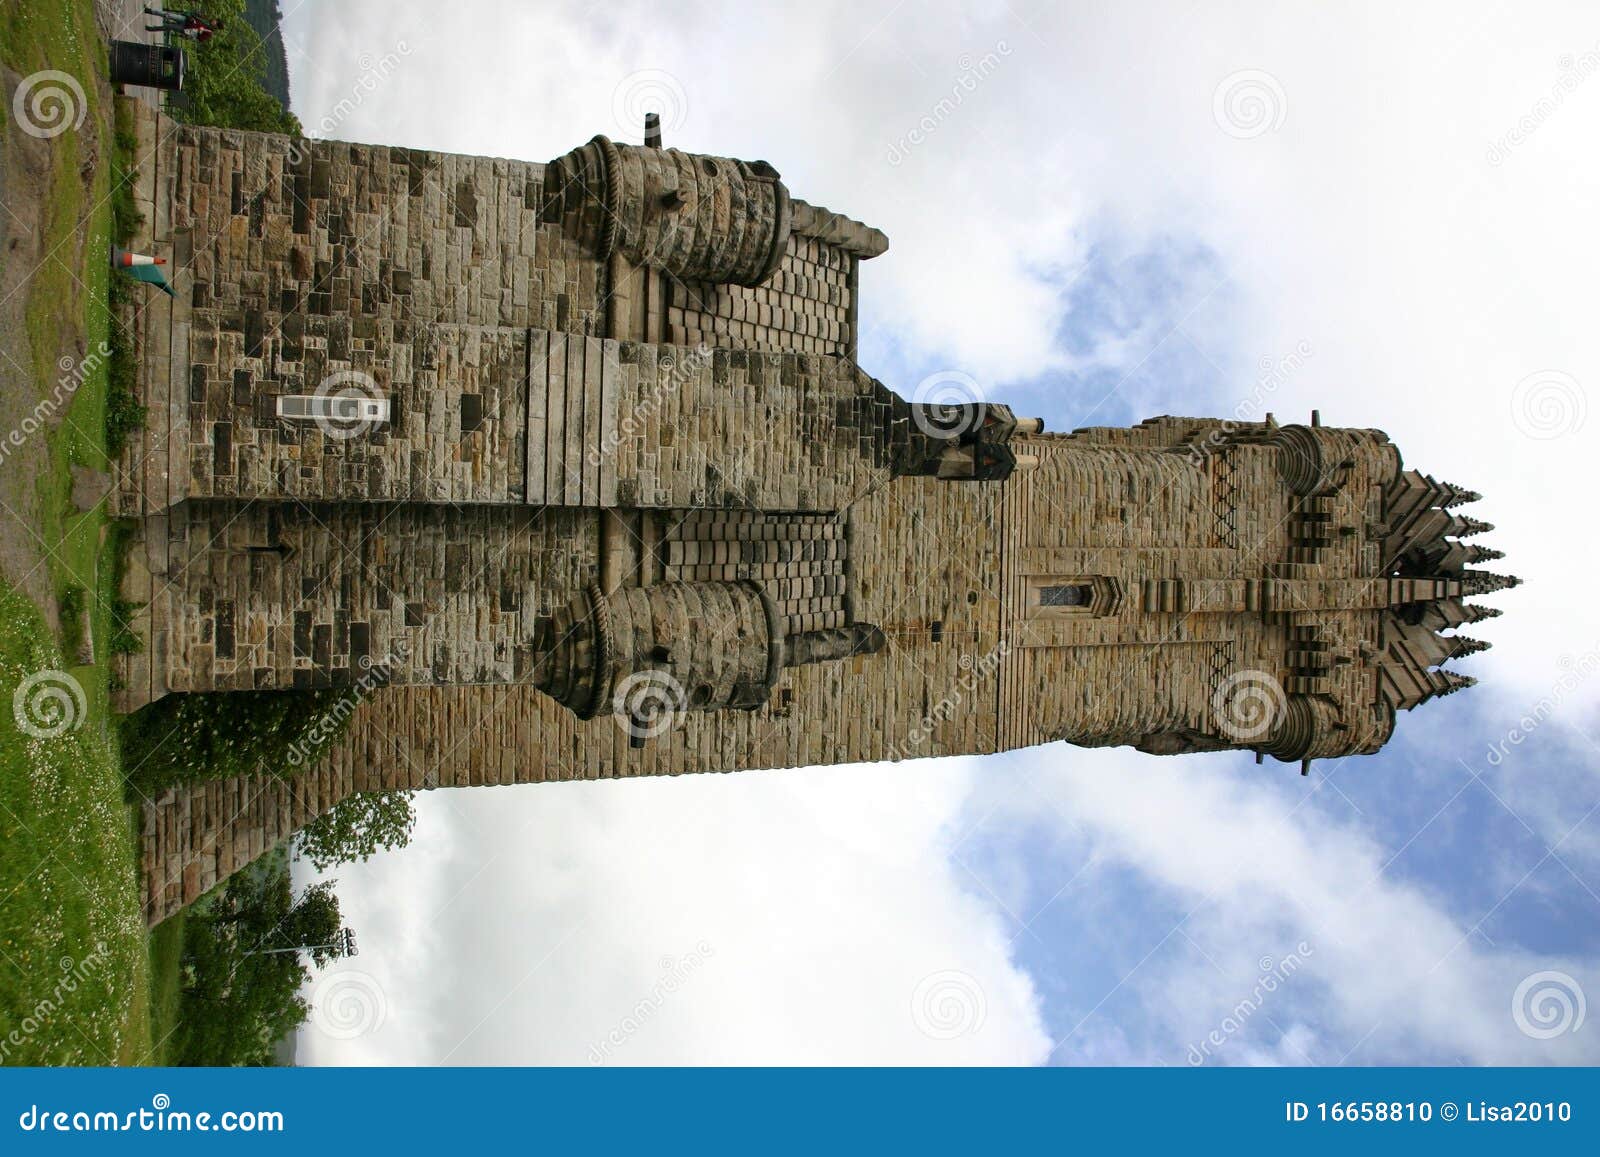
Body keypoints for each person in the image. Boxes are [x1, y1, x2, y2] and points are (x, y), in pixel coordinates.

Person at [143, 7, 223, 42]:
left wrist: (200, 31)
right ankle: (150, 11)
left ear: (216, 25)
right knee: (168, 15)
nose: (214, 20)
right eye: (215, 20)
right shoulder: (207, 19)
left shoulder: (209, 33)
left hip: (185, 29)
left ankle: (151, 29)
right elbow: (197, 15)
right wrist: (192, 16)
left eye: (215, 21)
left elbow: (200, 39)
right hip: (186, 20)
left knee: (168, 26)